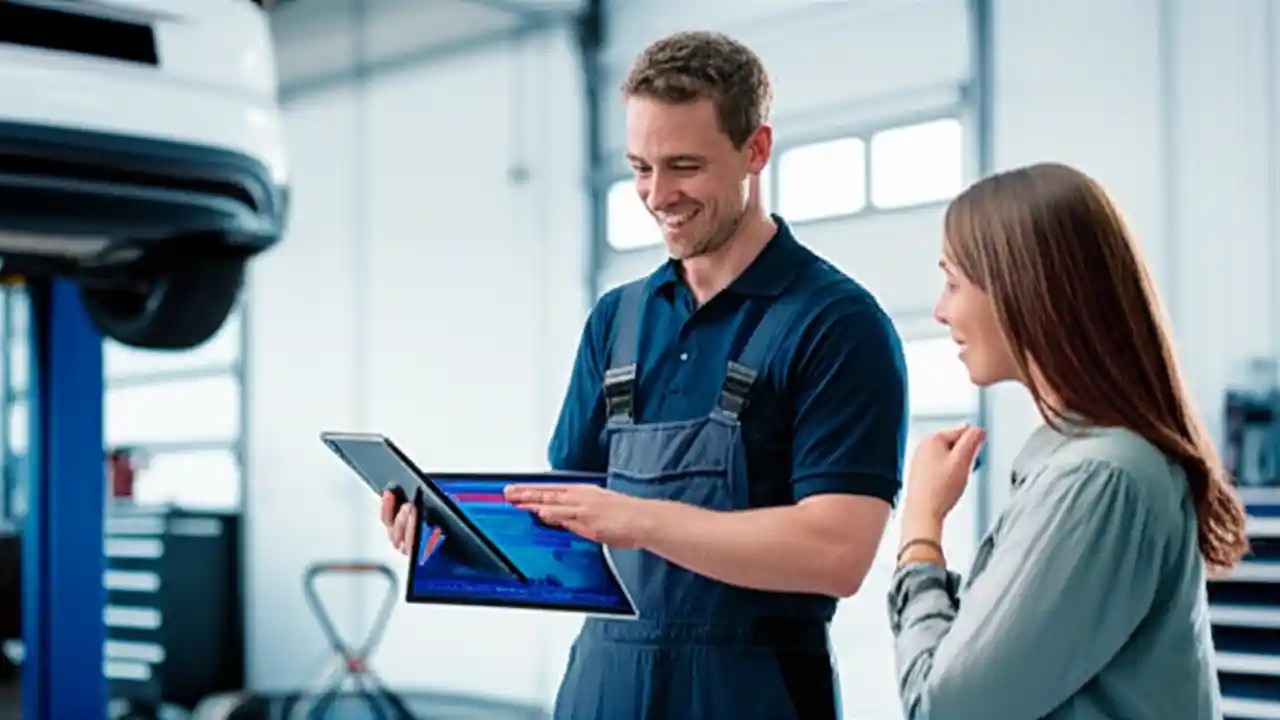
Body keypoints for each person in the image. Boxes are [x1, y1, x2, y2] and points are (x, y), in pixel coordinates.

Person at [383, 30, 909, 720]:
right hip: (605, 686)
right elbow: (575, 529)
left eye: (684, 166)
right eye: (639, 167)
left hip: (752, 694)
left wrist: (639, 520)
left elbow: (836, 552)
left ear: (756, 149)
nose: (658, 195)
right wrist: (451, 539)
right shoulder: (616, 321)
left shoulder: (836, 325)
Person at [889, 161, 1250, 719]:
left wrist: (920, 530)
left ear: (1026, 290)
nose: (940, 310)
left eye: (954, 282)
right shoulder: (1085, 463)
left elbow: (945, 709)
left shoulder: (1099, 477)